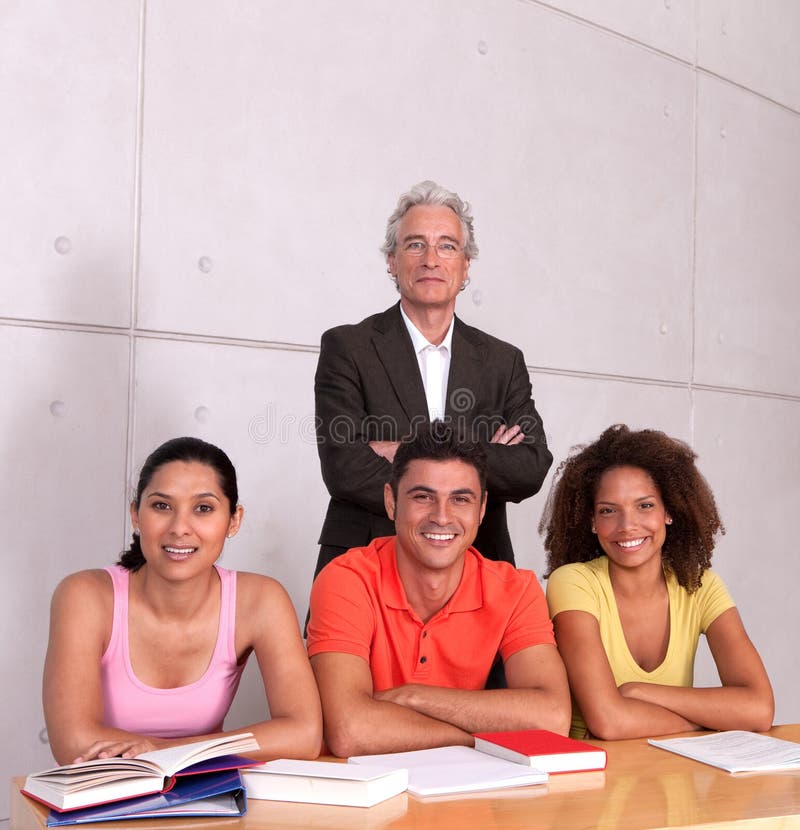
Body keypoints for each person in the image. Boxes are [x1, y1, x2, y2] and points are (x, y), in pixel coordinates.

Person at [313, 180, 552, 576]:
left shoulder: (502, 361)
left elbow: (530, 464)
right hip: (367, 560)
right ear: (392, 260)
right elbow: (345, 468)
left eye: (446, 245)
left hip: (477, 565)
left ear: (465, 265)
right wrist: (478, 457)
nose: (431, 259)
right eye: (414, 244)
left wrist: (405, 449)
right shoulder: (348, 347)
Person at [43, 437, 322, 765]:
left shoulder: (261, 600)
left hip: (208, 799)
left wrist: (166, 751)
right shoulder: (85, 596)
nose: (179, 528)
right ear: (136, 514)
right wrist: (194, 752)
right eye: (162, 506)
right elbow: (73, 742)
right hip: (102, 803)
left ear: (234, 520)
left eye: (203, 508)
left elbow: (304, 734)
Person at [307, 423, 570, 757]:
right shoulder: (346, 579)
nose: (442, 517)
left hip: (464, 794)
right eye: (423, 497)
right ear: (391, 502)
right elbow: (349, 730)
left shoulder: (516, 589)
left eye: (460, 499)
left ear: (481, 509)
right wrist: (480, 739)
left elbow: (552, 717)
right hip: (365, 797)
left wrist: (411, 696)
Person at [540, 424, 774, 740]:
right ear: (592, 521)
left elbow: (758, 709)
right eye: (608, 511)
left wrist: (640, 691)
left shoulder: (700, 585)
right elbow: (609, 722)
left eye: (645, 505)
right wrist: (712, 719)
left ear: (669, 511)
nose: (628, 525)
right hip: (595, 777)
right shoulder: (573, 583)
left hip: (674, 774)